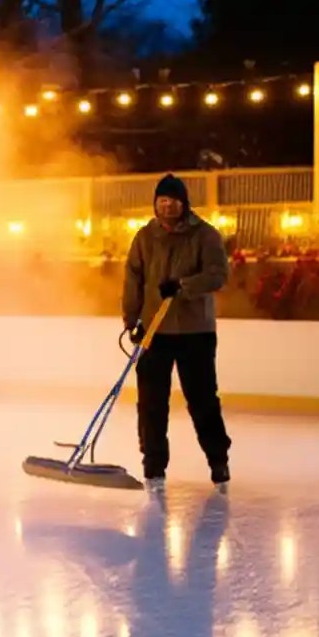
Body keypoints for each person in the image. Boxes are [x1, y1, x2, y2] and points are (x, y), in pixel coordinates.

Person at [122, 173, 232, 486]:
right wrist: (132, 321)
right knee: (151, 403)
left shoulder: (205, 235)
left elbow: (217, 274)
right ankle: (153, 463)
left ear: (184, 203)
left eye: (173, 201)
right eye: (162, 201)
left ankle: (218, 459)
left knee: (202, 400)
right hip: (154, 331)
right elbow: (133, 280)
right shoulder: (144, 237)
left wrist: (184, 286)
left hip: (195, 332)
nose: (167, 206)